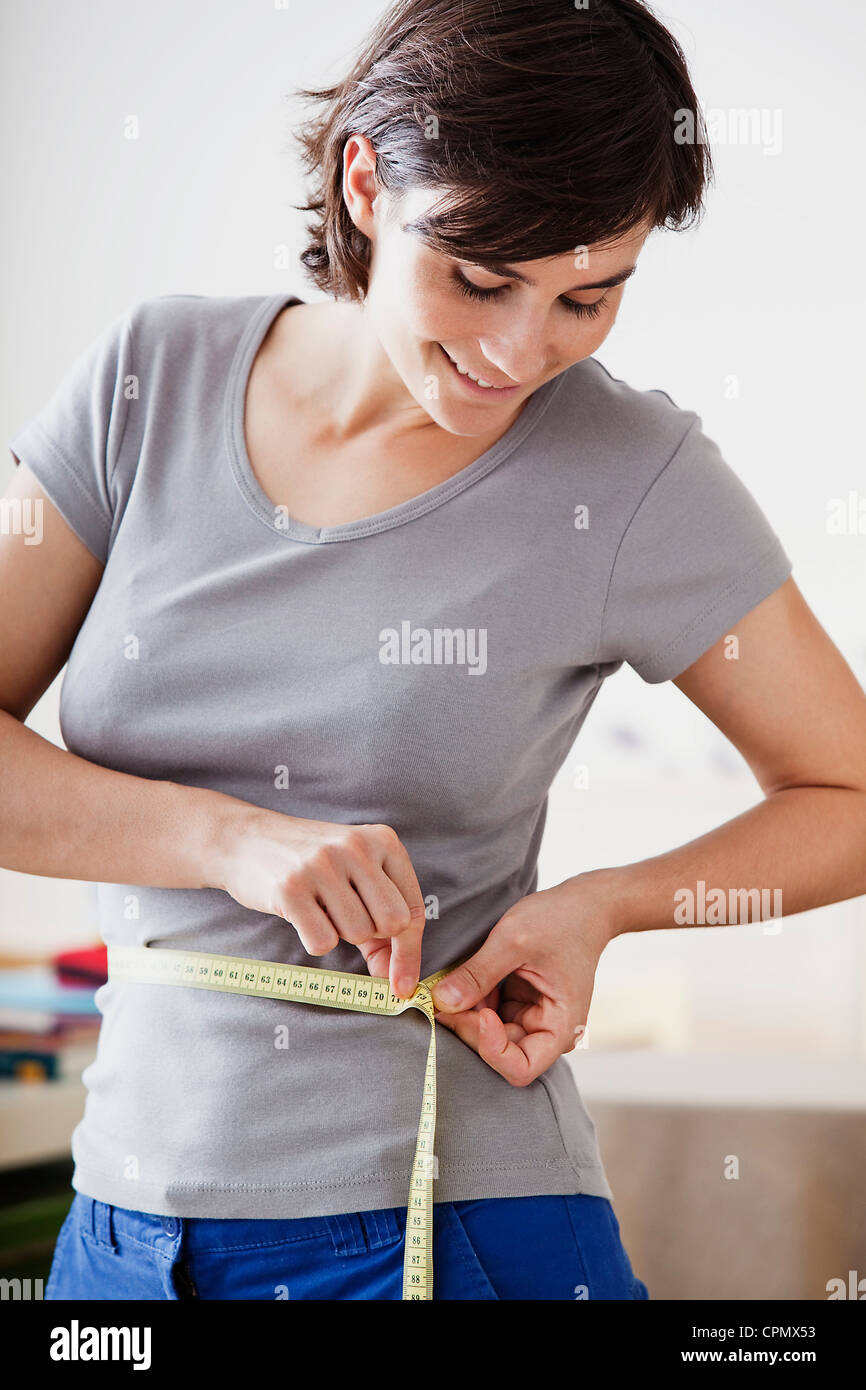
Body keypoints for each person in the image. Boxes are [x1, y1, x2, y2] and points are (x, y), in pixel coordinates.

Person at [3, 0, 865, 1302]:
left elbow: (848, 795)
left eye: (589, 294)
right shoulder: (145, 380)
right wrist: (228, 839)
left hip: (453, 1220)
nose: (520, 352)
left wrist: (602, 906)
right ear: (364, 181)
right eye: (478, 276)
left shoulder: (632, 477)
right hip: (121, 1234)